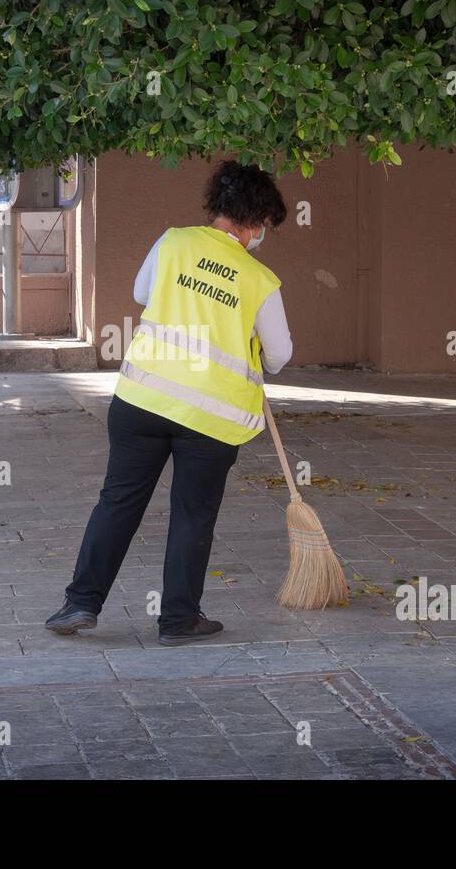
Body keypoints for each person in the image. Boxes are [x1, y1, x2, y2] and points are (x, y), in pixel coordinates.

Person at [46, 160, 293, 646]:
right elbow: (280, 355)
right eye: (265, 226)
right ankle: (178, 619)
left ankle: (80, 603)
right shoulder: (259, 279)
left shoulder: (174, 240)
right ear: (255, 222)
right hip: (211, 417)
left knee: (118, 501)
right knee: (192, 514)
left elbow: (142, 294)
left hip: (142, 400)